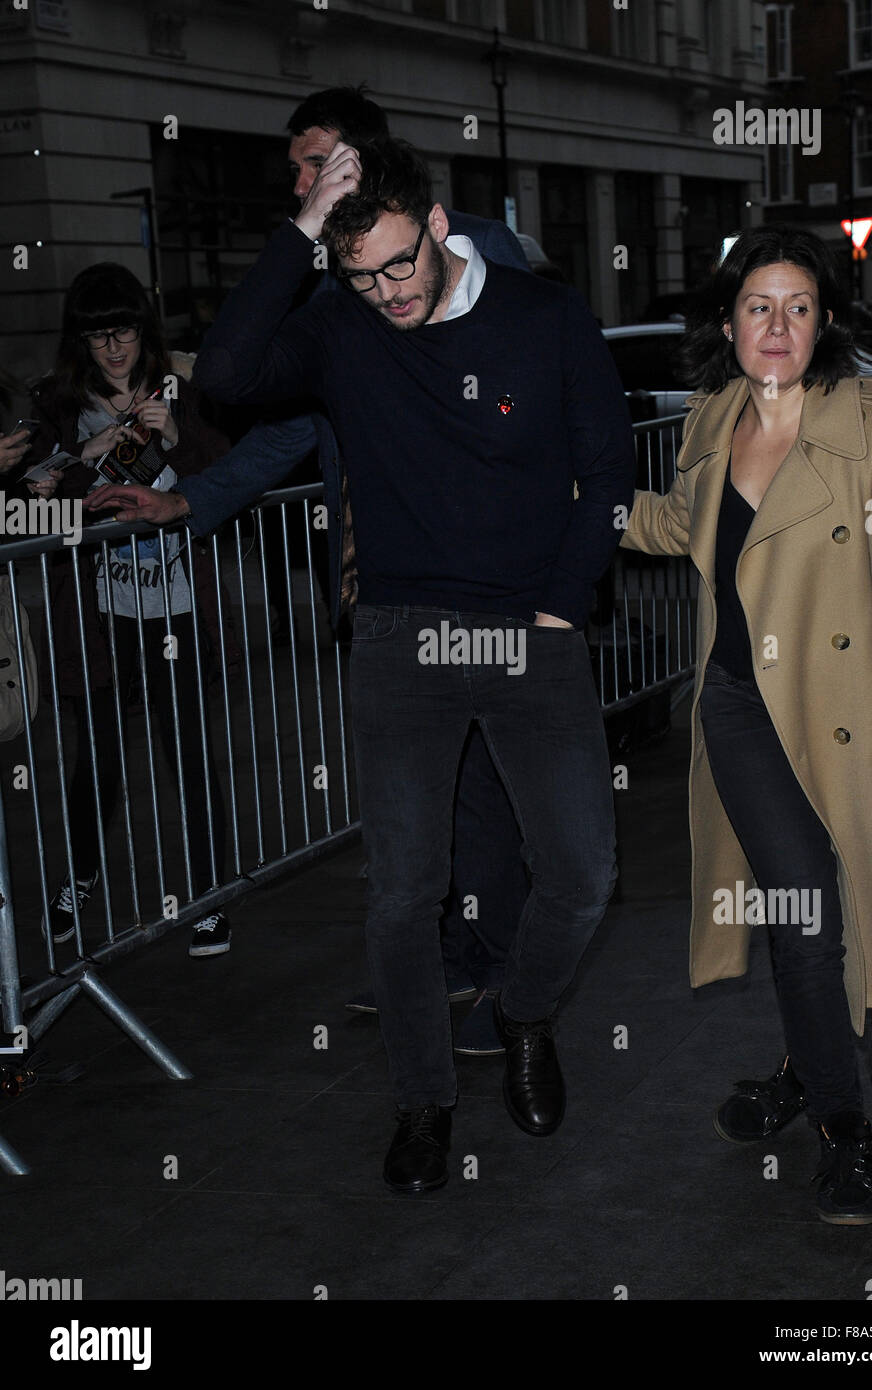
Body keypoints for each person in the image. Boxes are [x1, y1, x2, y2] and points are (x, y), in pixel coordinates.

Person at [184, 135, 633, 1193]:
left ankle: (522, 1014)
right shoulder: (341, 326)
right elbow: (224, 374)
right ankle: (423, 1099)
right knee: (403, 893)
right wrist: (302, 233)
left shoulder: (544, 315)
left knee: (582, 875)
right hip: (399, 634)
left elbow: (609, 468)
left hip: (529, 632)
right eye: (361, 274)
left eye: (398, 264)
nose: (386, 292)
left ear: (437, 226)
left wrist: (561, 606)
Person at [89, 87, 531, 1055]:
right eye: (294, 171)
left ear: (359, 163)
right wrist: (188, 501)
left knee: (486, 784)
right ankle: (455, 957)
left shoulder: (479, 247)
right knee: (421, 793)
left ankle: (508, 982)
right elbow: (276, 416)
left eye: (311, 165)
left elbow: (532, 401)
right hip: (380, 593)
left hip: (480, 582)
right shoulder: (336, 290)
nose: (296, 183)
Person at [619, 223, 872, 1224]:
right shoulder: (711, 420)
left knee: (866, 919)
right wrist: (588, 508)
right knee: (804, 914)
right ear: (727, 323)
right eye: (757, 306)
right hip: (738, 708)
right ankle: (844, 1129)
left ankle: (806, 1071)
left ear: (824, 322)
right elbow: (684, 525)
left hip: (847, 711)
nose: (776, 325)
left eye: (797, 307)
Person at [28, 263, 233, 957]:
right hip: (100, 614)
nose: (114, 348)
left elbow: (227, 476)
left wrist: (175, 435)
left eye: (123, 331)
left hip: (176, 607)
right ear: (79, 341)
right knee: (99, 760)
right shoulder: (58, 407)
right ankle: (78, 879)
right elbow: (33, 508)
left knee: (189, 755)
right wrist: (80, 455)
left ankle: (208, 896)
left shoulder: (181, 392)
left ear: (144, 330)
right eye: (98, 336)